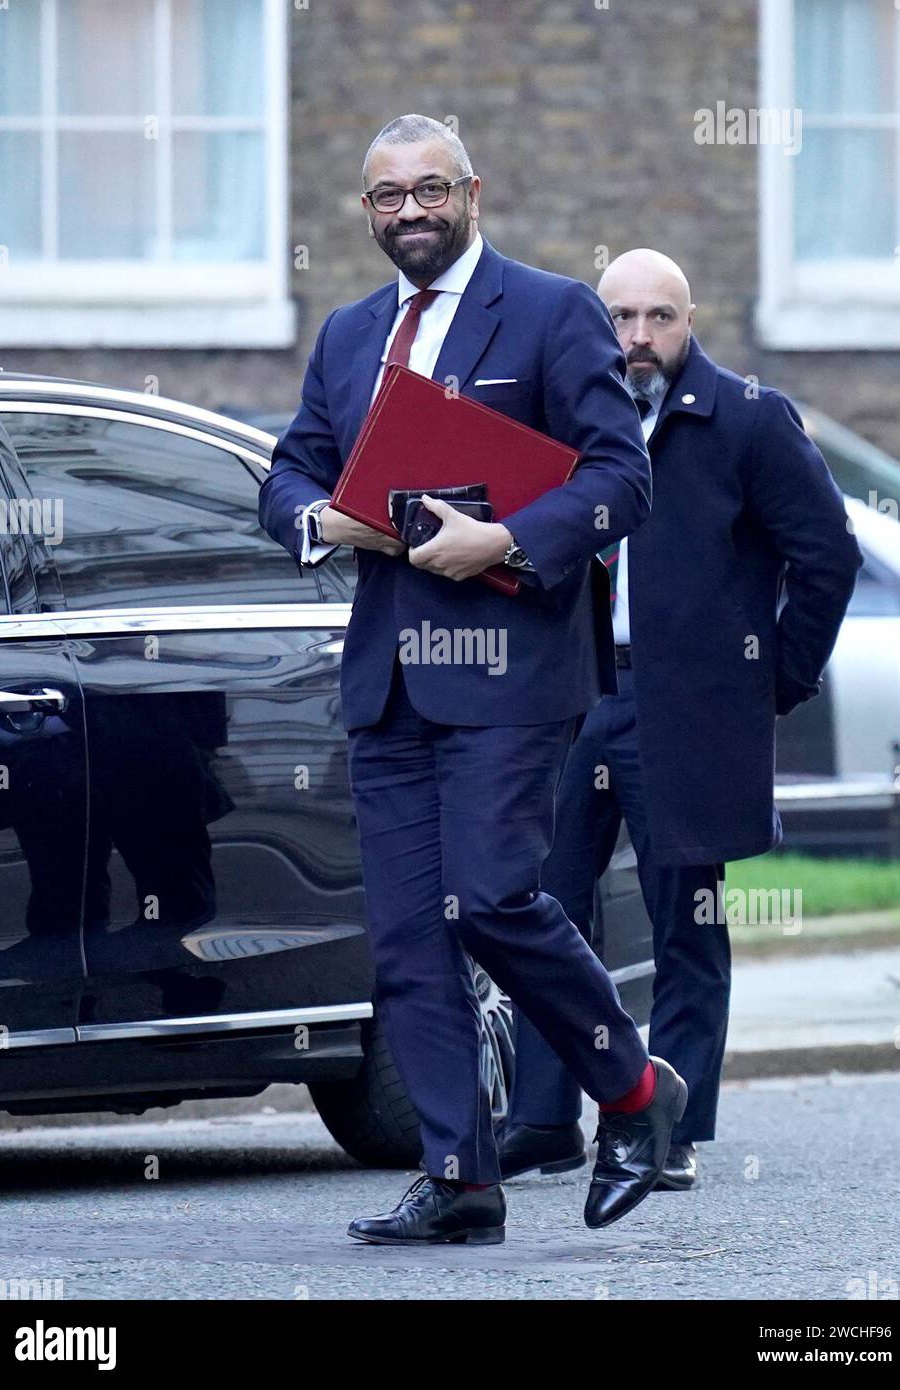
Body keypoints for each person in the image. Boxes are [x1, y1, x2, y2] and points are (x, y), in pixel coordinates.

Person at [259, 116, 688, 1244]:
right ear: (366, 210)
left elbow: (619, 478)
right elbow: (293, 464)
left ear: (472, 192)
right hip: (388, 679)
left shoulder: (549, 311)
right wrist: (313, 516)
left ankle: (637, 1091)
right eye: (388, 195)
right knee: (405, 940)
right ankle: (460, 1174)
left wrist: (500, 543)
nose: (410, 212)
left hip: (509, 666)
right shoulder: (350, 336)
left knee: (491, 898)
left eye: (431, 190)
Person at [500, 249, 864, 1191]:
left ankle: (676, 1128)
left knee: (685, 924)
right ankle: (542, 1117)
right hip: (576, 699)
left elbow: (826, 555)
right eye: (619, 318)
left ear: (689, 320)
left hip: (689, 708)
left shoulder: (744, 417)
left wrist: (773, 682)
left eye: (659, 317)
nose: (637, 339)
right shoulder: (569, 413)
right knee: (539, 906)